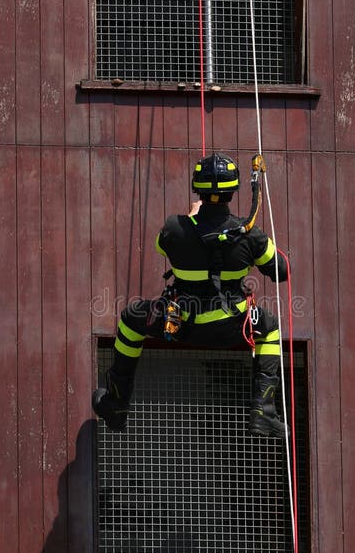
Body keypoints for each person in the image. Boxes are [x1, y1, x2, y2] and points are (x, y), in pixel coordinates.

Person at [92, 152, 289, 438]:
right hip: (232, 327)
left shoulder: (175, 227)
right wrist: (256, 241)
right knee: (269, 327)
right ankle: (263, 411)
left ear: (197, 188)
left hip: (180, 325)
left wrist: (193, 218)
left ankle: (117, 404)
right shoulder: (249, 233)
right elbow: (281, 271)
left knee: (131, 318)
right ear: (233, 191)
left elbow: (163, 246)